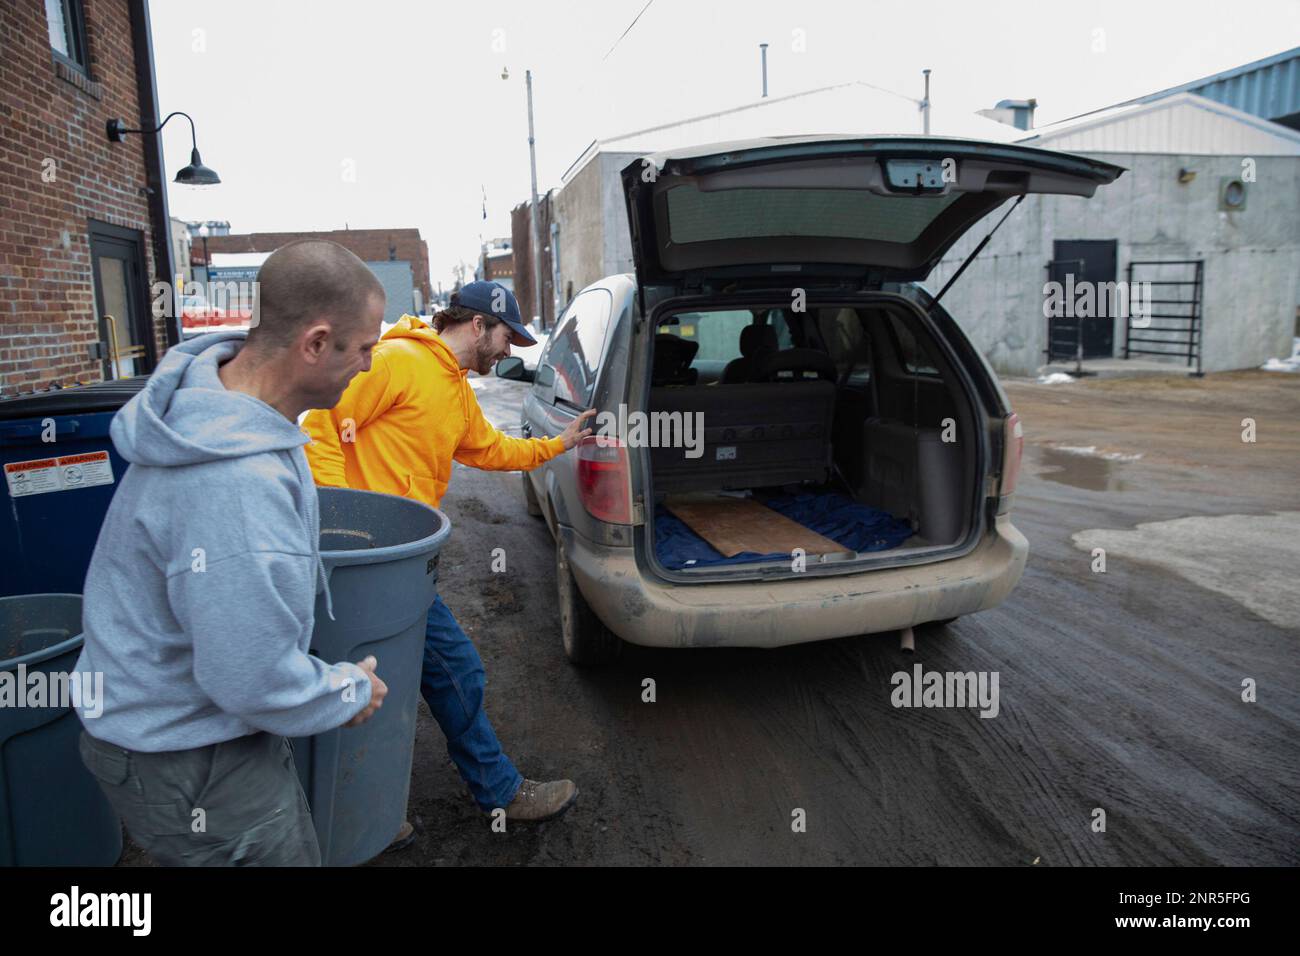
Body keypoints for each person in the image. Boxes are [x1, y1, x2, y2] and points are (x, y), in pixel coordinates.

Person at [75, 239, 391, 866]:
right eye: (364, 347)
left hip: (174, 732)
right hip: (189, 760)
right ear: (316, 343)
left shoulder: (219, 407)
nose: (369, 364)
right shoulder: (233, 484)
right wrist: (348, 690)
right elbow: (248, 676)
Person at [303, 280, 594, 823]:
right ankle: (485, 793)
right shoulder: (396, 362)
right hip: (362, 563)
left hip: (400, 563)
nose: (510, 351)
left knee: (385, 682)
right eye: (508, 337)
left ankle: (363, 817)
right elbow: (323, 423)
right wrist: (339, 528)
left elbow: (490, 449)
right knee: (445, 671)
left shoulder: (456, 387)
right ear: (478, 325)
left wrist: (560, 443)